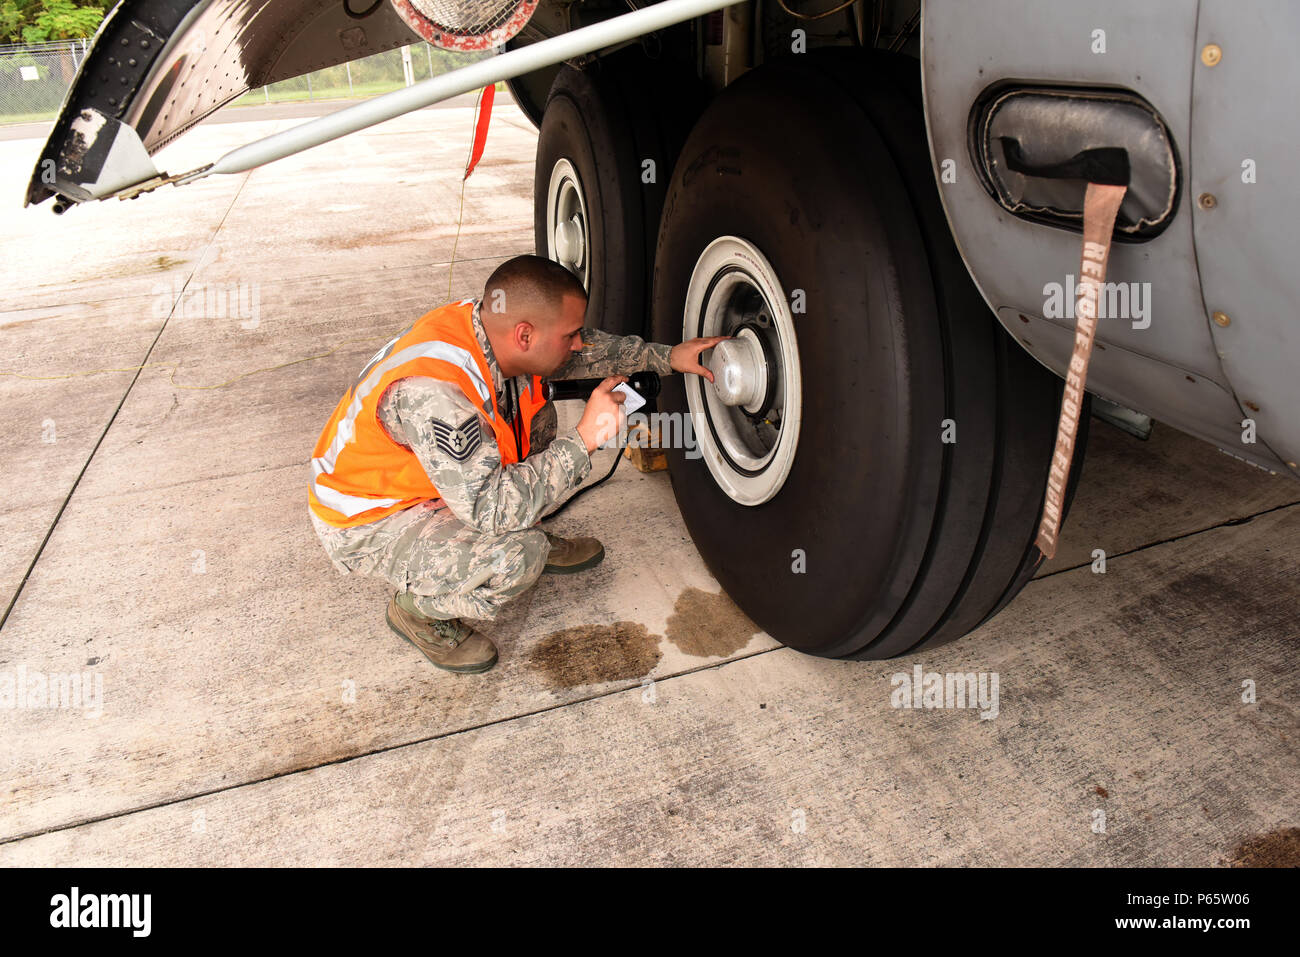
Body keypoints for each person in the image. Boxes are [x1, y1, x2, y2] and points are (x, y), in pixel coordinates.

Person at [309, 254, 727, 674]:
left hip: (439, 486)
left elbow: (588, 352)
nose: (579, 343)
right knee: (516, 557)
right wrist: (586, 438)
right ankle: (417, 610)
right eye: (572, 334)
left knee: (533, 409)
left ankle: (523, 529)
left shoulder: (492, 326)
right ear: (525, 335)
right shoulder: (435, 395)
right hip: (370, 517)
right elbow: (490, 509)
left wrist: (666, 357)